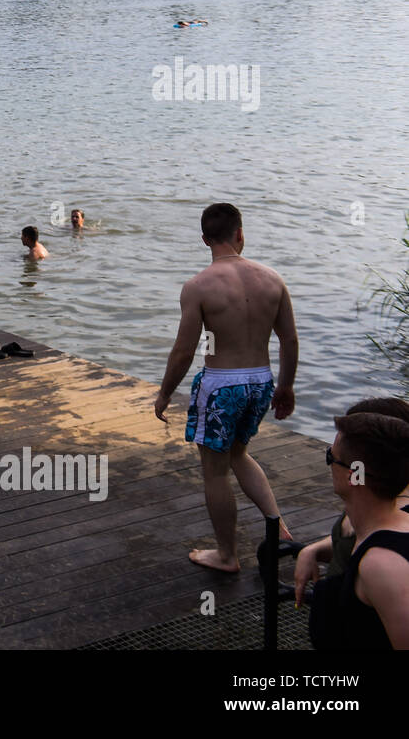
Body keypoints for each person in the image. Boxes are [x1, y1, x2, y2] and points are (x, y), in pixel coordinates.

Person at [154, 202, 297, 572]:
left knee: (215, 471)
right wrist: (286, 387)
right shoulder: (273, 279)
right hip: (261, 381)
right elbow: (290, 340)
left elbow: (185, 350)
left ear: (205, 240)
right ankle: (279, 528)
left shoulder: (197, 286)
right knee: (239, 454)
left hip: (221, 386)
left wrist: (165, 392)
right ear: (240, 234)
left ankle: (228, 555)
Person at [307, 412, 409, 649]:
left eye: (330, 457)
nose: (329, 465)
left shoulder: (381, 564)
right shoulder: (387, 530)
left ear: (354, 475)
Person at [295, 397, 409, 600]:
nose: (330, 465)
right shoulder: (375, 500)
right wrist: (313, 550)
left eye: (332, 457)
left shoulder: (386, 546)